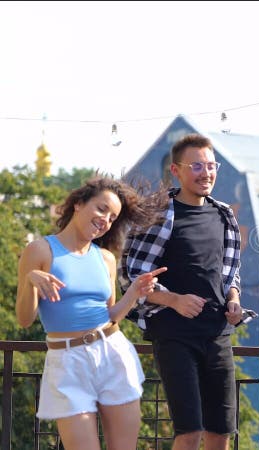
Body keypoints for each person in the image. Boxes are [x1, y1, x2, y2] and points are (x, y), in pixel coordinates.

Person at [120, 133, 254, 450]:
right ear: (176, 171)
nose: (205, 173)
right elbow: (132, 276)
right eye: (196, 165)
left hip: (217, 333)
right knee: (189, 431)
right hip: (174, 335)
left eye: (210, 165)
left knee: (221, 432)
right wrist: (173, 300)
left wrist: (234, 300)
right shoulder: (157, 214)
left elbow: (230, 272)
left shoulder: (224, 216)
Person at [15, 176, 166, 450]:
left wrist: (133, 293)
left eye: (112, 217)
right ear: (78, 204)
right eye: (101, 209)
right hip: (67, 361)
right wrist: (30, 280)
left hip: (113, 354)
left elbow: (112, 315)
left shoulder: (106, 258)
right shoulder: (39, 250)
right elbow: (24, 320)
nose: (105, 219)